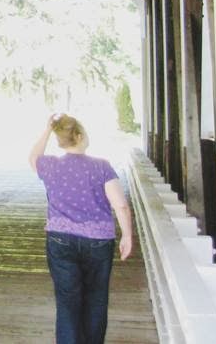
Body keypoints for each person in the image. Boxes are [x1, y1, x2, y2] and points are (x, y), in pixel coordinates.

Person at [29, 114, 134, 344]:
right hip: (98, 241)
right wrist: (127, 235)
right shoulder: (102, 167)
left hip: (60, 241)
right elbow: (121, 205)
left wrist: (47, 130)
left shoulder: (50, 166)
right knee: (96, 300)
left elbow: (34, 156)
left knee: (67, 302)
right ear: (78, 136)